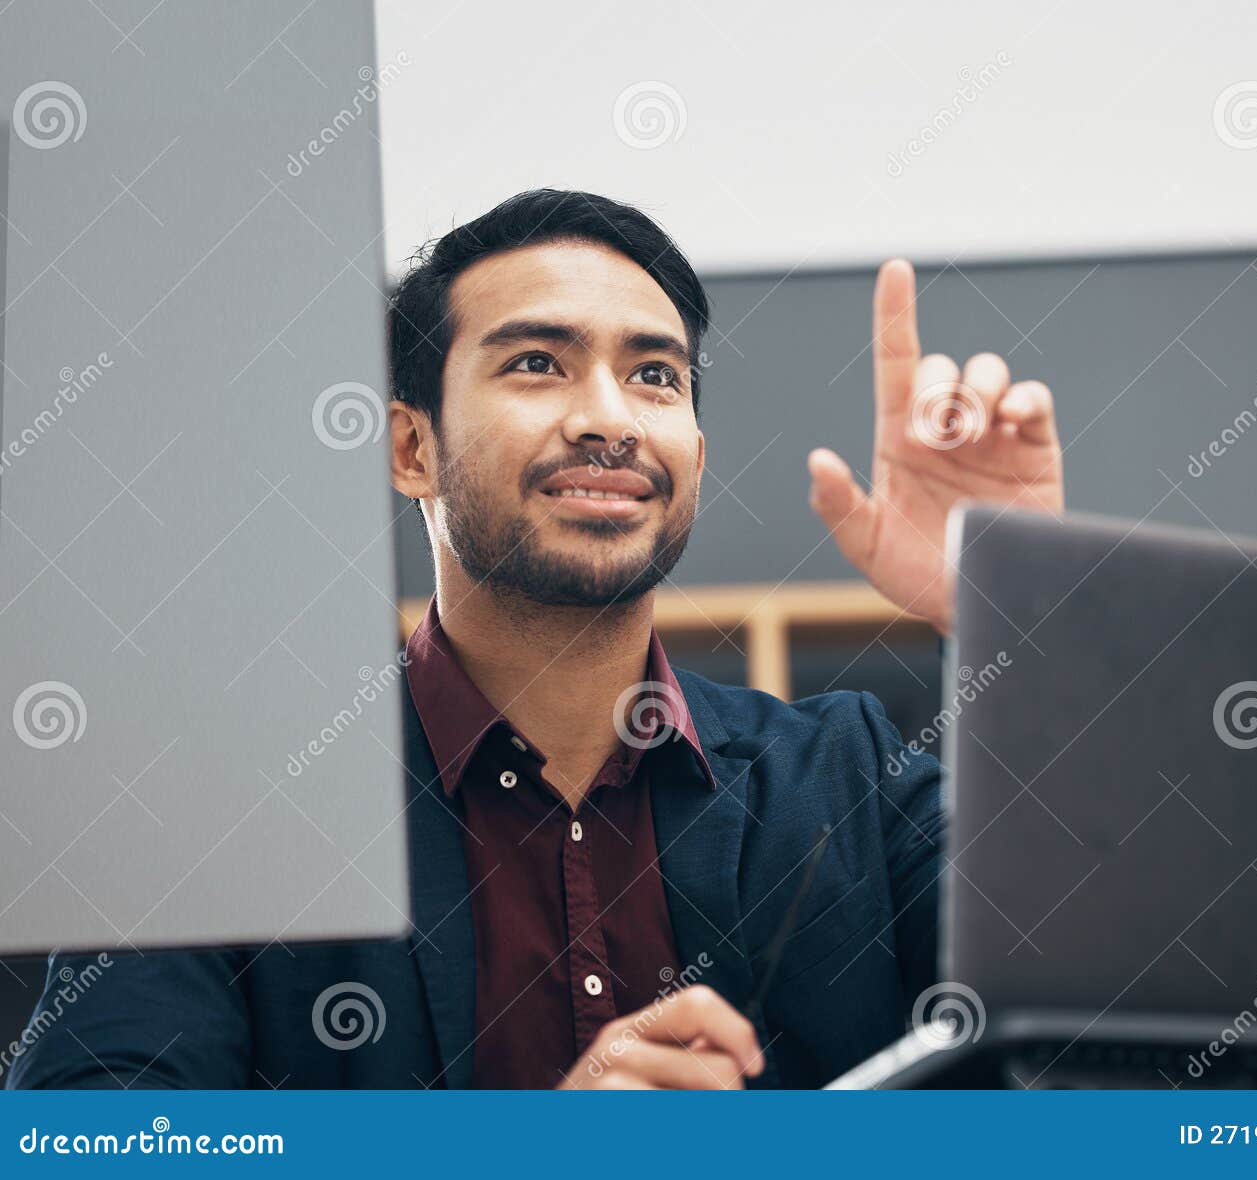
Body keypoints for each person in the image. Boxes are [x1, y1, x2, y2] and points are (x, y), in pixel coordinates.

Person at [7, 189, 1064, 1090]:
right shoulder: (224, 812)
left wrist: (1023, 618)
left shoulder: (855, 782)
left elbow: (1119, 1056)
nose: (609, 416)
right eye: (536, 363)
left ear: (694, 448)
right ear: (410, 444)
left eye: (655, 375)